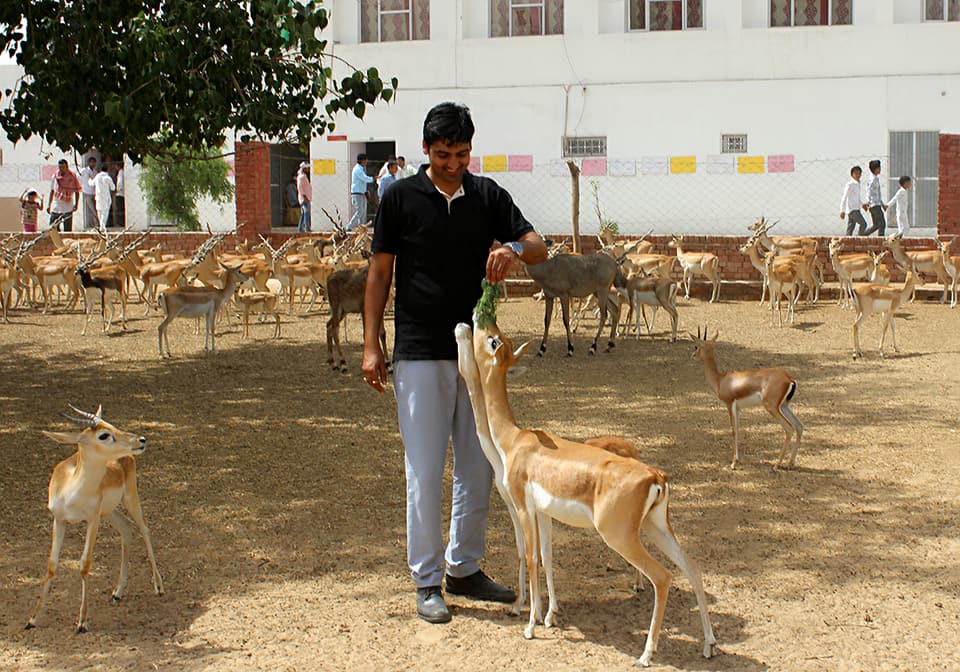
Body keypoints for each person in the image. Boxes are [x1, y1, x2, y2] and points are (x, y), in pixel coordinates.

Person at [361, 101, 547, 625]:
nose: (452, 164)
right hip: (419, 349)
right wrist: (372, 344)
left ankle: (464, 567)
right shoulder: (399, 198)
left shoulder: (487, 195)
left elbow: (539, 246)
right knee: (423, 470)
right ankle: (426, 580)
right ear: (425, 150)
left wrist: (511, 247)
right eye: (443, 154)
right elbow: (379, 275)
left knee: (479, 464)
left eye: (462, 154)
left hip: (477, 356)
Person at [46, 159, 81, 231]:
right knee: (52, 227)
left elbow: (77, 191)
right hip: (57, 205)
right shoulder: (55, 176)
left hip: (68, 206)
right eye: (60, 167)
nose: (61, 169)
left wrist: (76, 204)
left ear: (67, 167)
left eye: (63, 167)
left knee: (67, 229)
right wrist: (49, 205)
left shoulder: (72, 177)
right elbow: (52, 191)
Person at [348, 153, 375, 230]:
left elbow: (363, 182)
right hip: (357, 193)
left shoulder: (361, 169)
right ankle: (348, 227)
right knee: (360, 211)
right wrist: (374, 179)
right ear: (362, 161)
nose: (366, 162)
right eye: (365, 160)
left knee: (363, 212)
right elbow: (365, 178)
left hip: (362, 193)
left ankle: (362, 228)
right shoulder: (358, 169)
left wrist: (366, 191)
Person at [840, 165, 867, 236]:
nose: (858, 175)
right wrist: (842, 211)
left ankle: (846, 242)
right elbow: (844, 197)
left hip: (856, 209)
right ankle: (859, 239)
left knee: (850, 228)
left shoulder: (858, 184)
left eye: (859, 173)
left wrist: (862, 205)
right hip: (852, 210)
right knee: (863, 224)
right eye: (856, 173)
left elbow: (857, 198)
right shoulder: (850, 184)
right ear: (852, 174)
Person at [862, 159, 887, 237]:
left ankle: (863, 235)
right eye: (879, 168)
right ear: (875, 169)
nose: (880, 170)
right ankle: (881, 241)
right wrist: (868, 201)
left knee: (876, 225)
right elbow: (869, 191)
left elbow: (878, 194)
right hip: (874, 205)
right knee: (882, 224)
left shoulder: (875, 178)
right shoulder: (873, 180)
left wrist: (882, 204)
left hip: (876, 204)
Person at [90, 165, 116, 232]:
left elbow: (91, 183)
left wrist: (89, 179)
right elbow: (113, 187)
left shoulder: (97, 177)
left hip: (98, 197)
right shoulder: (107, 178)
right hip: (106, 197)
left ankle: (101, 225)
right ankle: (102, 226)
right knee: (105, 212)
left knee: (99, 211)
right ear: (107, 170)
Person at [79, 156, 99, 231]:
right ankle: (95, 223)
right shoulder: (84, 170)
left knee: (95, 208)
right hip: (86, 191)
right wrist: (82, 186)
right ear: (89, 163)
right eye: (92, 162)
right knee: (92, 209)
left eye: (94, 162)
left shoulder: (95, 172)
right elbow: (79, 177)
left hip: (93, 192)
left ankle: (96, 224)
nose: (93, 164)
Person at [296, 162, 312, 233]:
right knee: (306, 213)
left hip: (306, 198)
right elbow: (300, 187)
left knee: (303, 213)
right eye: (308, 168)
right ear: (304, 168)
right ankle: (307, 228)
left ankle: (300, 228)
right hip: (304, 198)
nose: (309, 169)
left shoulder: (303, 176)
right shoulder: (301, 177)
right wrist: (304, 196)